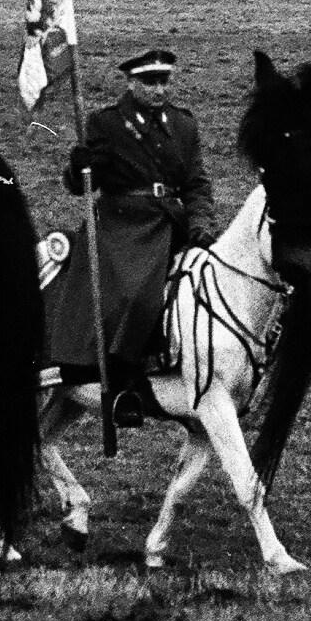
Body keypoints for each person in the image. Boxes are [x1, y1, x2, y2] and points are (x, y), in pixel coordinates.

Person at [62, 46, 221, 423]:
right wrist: (80, 168)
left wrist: (201, 223)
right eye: (149, 82)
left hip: (171, 221)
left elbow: (196, 183)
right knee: (136, 294)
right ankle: (123, 380)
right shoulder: (107, 124)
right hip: (124, 224)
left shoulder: (183, 125)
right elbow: (81, 185)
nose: (158, 90)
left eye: (164, 82)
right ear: (131, 83)